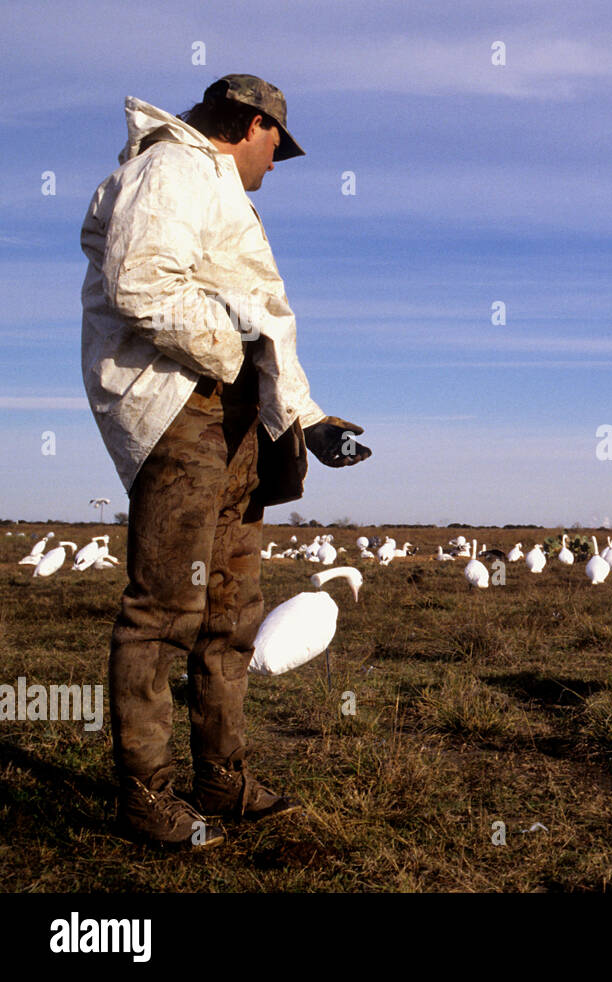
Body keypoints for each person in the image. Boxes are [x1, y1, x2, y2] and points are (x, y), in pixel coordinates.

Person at [80, 74, 371, 849]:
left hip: (235, 422)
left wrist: (309, 420)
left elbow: (264, 329)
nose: (277, 164)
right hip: (182, 412)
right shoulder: (171, 169)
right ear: (251, 125)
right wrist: (226, 360)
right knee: (163, 610)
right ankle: (144, 795)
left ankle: (223, 777)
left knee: (231, 614)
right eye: (278, 145)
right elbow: (141, 284)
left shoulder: (220, 192)